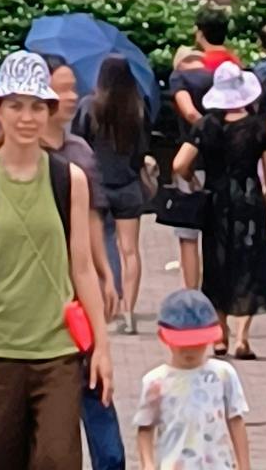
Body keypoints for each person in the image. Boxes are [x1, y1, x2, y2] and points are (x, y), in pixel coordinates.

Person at [0, 49, 113, 470]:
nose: (27, 117)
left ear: (50, 111)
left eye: (36, 106)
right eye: (15, 105)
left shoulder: (69, 179)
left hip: (56, 354)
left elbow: (81, 267)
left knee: (56, 459)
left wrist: (102, 346)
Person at [179, 58, 266, 363]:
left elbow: (180, 164)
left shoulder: (206, 125)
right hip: (248, 198)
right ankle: (243, 337)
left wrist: (194, 182)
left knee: (217, 262)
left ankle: (219, 335)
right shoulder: (258, 128)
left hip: (217, 199)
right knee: (250, 261)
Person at [138, 287, 250, 470]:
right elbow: (145, 426)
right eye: (182, 344)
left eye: (197, 343)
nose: (190, 350)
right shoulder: (156, 381)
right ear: (163, 337)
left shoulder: (223, 374)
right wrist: (147, 464)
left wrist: (244, 465)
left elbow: (236, 420)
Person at [84, 52, 155, 333]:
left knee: (95, 249)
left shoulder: (90, 106)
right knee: (130, 252)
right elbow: (141, 151)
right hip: (128, 186)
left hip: (96, 185)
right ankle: (128, 312)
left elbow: (81, 144)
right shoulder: (138, 109)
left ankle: (102, 305)